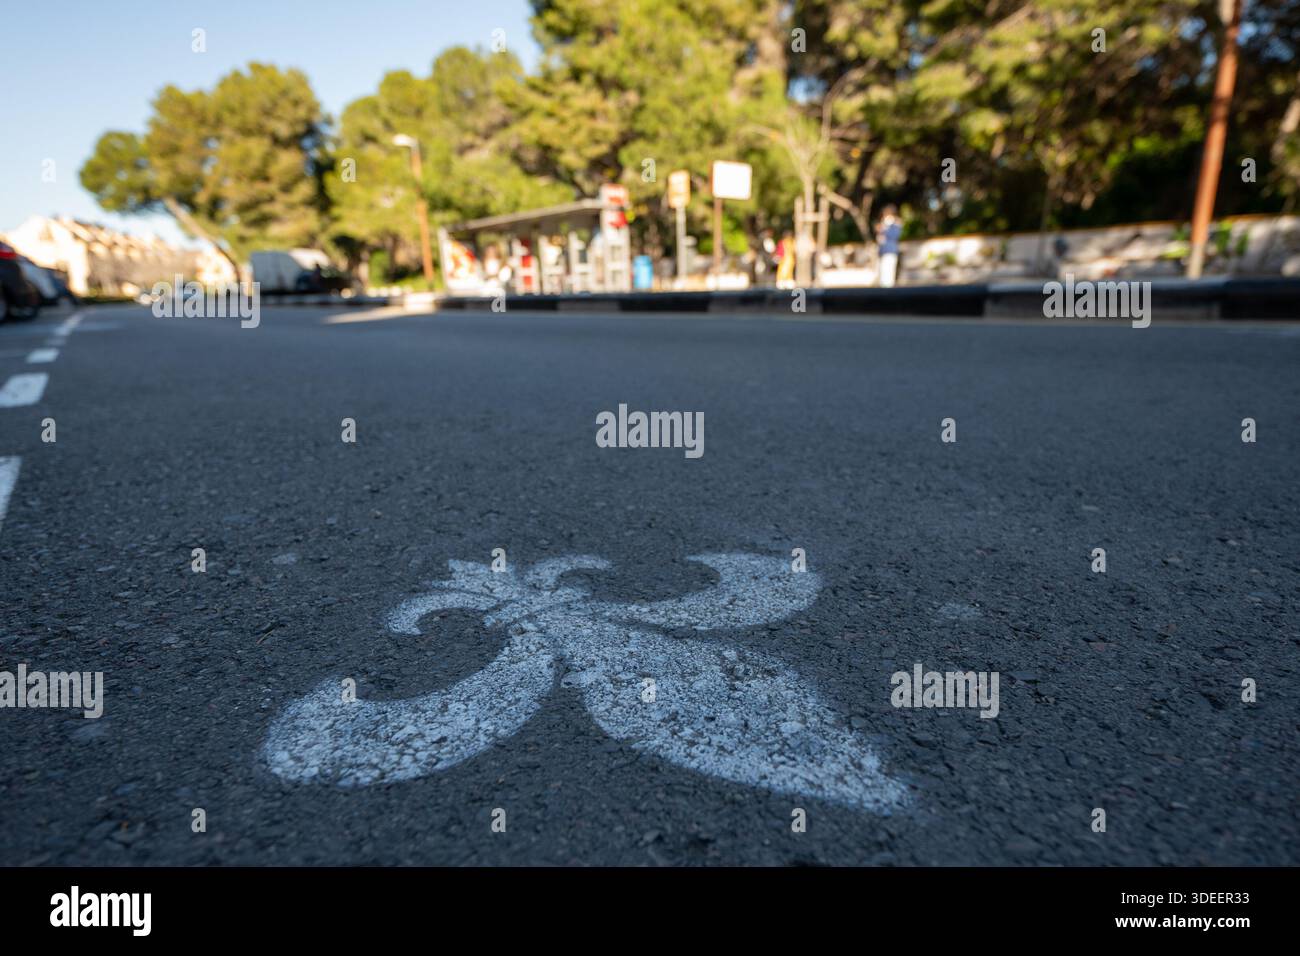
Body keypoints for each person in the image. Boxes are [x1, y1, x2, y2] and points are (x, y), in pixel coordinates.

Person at [875, 205, 903, 288]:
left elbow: (895, 236)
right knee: (883, 272)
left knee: (889, 273)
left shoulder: (895, 225)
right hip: (883, 251)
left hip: (890, 251)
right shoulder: (883, 225)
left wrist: (884, 230)